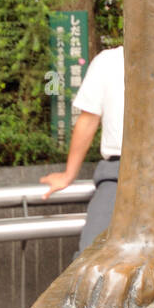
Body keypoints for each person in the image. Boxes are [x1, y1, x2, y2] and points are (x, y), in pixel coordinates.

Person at [41, 44, 124, 251]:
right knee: (91, 255)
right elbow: (88, 120)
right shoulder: (108, 60)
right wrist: (69, 174)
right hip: (118, 173)